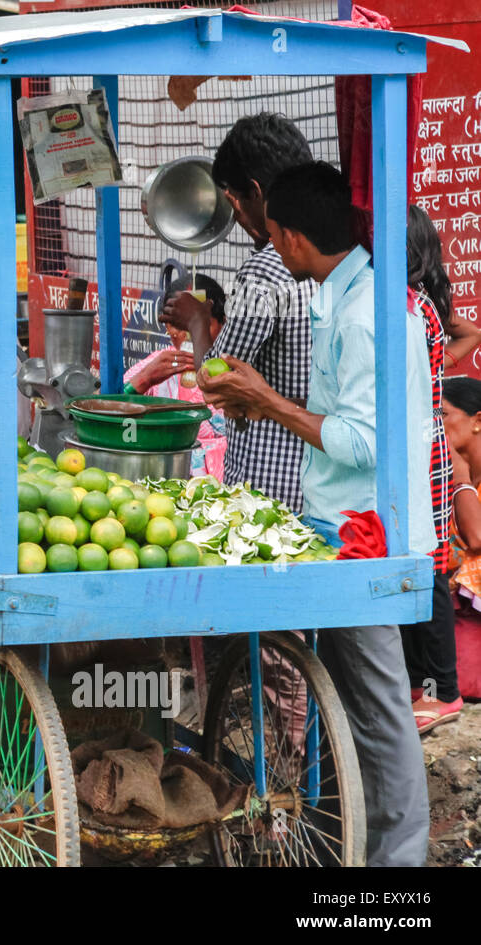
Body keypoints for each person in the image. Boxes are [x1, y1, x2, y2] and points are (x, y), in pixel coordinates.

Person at [198, 161, 433, 866]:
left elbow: (363, 442)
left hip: (369, 533)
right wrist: (259, 399)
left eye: (272, 236)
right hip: (335, 522)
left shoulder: (364, 317)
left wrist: (269, 402)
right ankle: (350, 846)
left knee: (381, 710)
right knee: (352, 705)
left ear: (294, 239)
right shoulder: (341, 294)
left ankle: (398, 868)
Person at [163, 112, 316, 512]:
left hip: (270, 481)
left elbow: (214, 378)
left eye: (234, 201)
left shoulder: (264, 270)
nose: (237, 217)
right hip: (320, 476)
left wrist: (198, 321)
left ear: (255, 192)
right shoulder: (332, 255)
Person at [402, 205, 479, 734]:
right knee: (417, 571)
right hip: (420, 447)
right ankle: (419, 685)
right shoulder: (424, 304)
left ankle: (442, 692)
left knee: (428, 569)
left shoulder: (421, 307)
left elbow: (466, 333)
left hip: (423, 451)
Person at [125, 274, 228, 479]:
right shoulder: (156, 366)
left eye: (200, 326)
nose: (189, 335)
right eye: (180, 326)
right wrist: (142, 381)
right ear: (166, 326)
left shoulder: (236, 366)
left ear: (223, 323)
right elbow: (101, 405)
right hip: (166, 479)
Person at [440, 376, 481, 703]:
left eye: (443, 415)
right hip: (450, 608)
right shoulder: (442, 469)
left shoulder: (457, 471)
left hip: (472, 608)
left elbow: (477, 538)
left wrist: (460, 473)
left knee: (462, 684)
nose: (437, 426)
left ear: (477, 421)